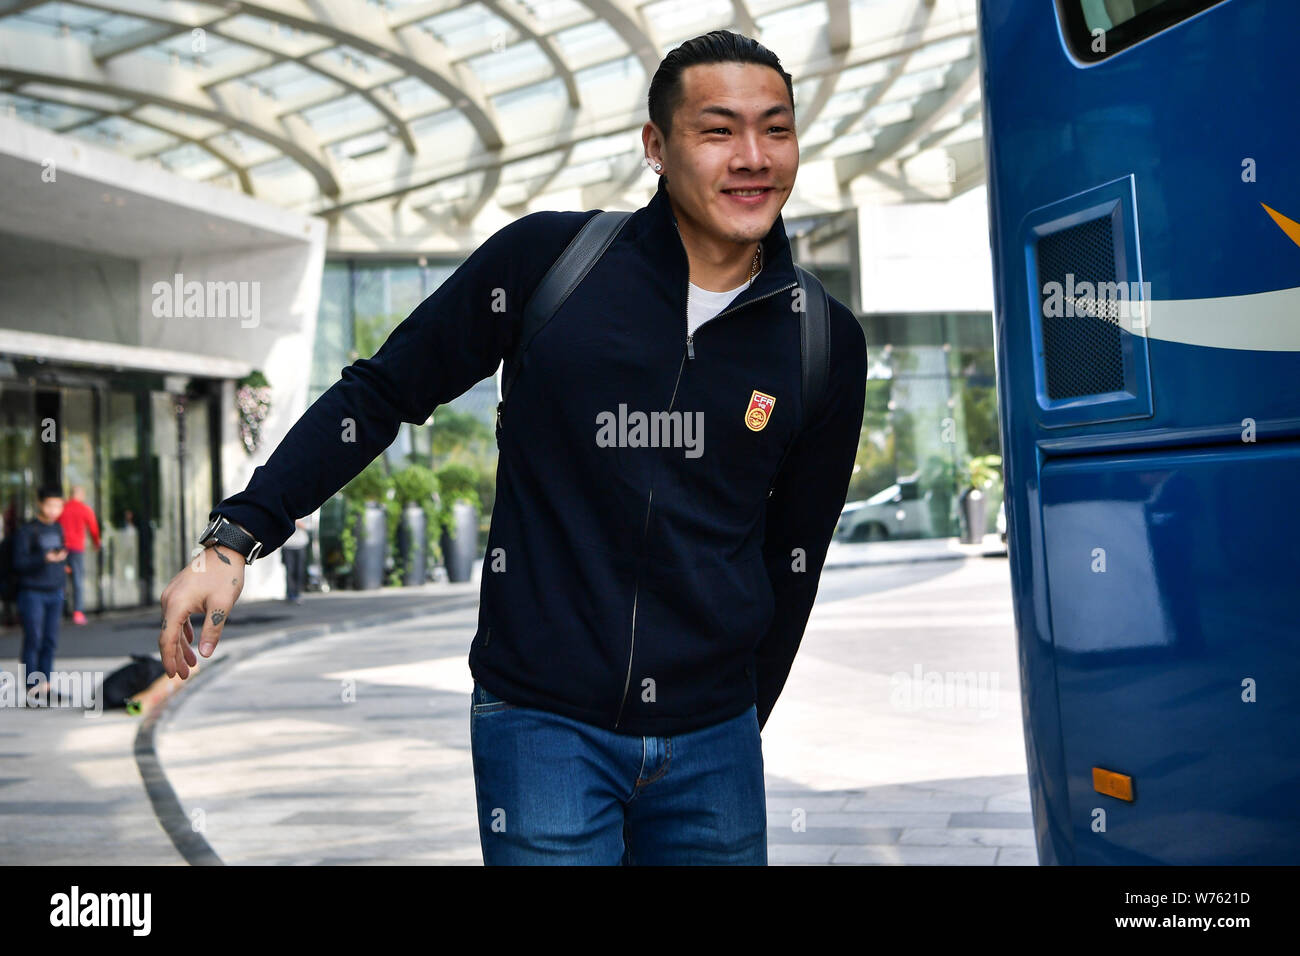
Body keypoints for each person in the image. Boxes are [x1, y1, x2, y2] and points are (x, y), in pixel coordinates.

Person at [159, 30, 867, 865]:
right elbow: (380, 393)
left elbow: (796, 557)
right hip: (544, 728)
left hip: (713, 748)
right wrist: (238, 534)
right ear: (656, 147)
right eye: (718, 130)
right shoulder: (551, 265)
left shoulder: (820, 340)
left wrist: (741, 715)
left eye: (775, 129)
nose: (753, 157)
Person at [13, 486, 69, 701]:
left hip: (55, 592)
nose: (55, 510)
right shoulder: (26, 531)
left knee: (50, 641)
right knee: (33, 640)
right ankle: (32, 690)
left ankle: (45, 687)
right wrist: (44, 559)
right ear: (40, 504)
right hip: (32, 593)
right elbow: (19, 563)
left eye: (58, 505)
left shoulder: (57, 529)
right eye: (50, 505)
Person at [58, 484, 101, 625]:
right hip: (76, 548)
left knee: (61, 579)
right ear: (80, 495)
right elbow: (93, 527)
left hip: (62, 549)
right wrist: (96, 543)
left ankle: (60, 610)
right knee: (77, 580)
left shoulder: (62, 508)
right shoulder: (84, 509)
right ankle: (77, 612)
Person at [281, 518, 309, 604]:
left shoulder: (305, 510)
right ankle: (290, 594)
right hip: (288, 545)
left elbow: (309, 526)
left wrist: (298, 523)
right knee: (290, 570)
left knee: (299, 570)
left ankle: (297, 593)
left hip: (300, 544)